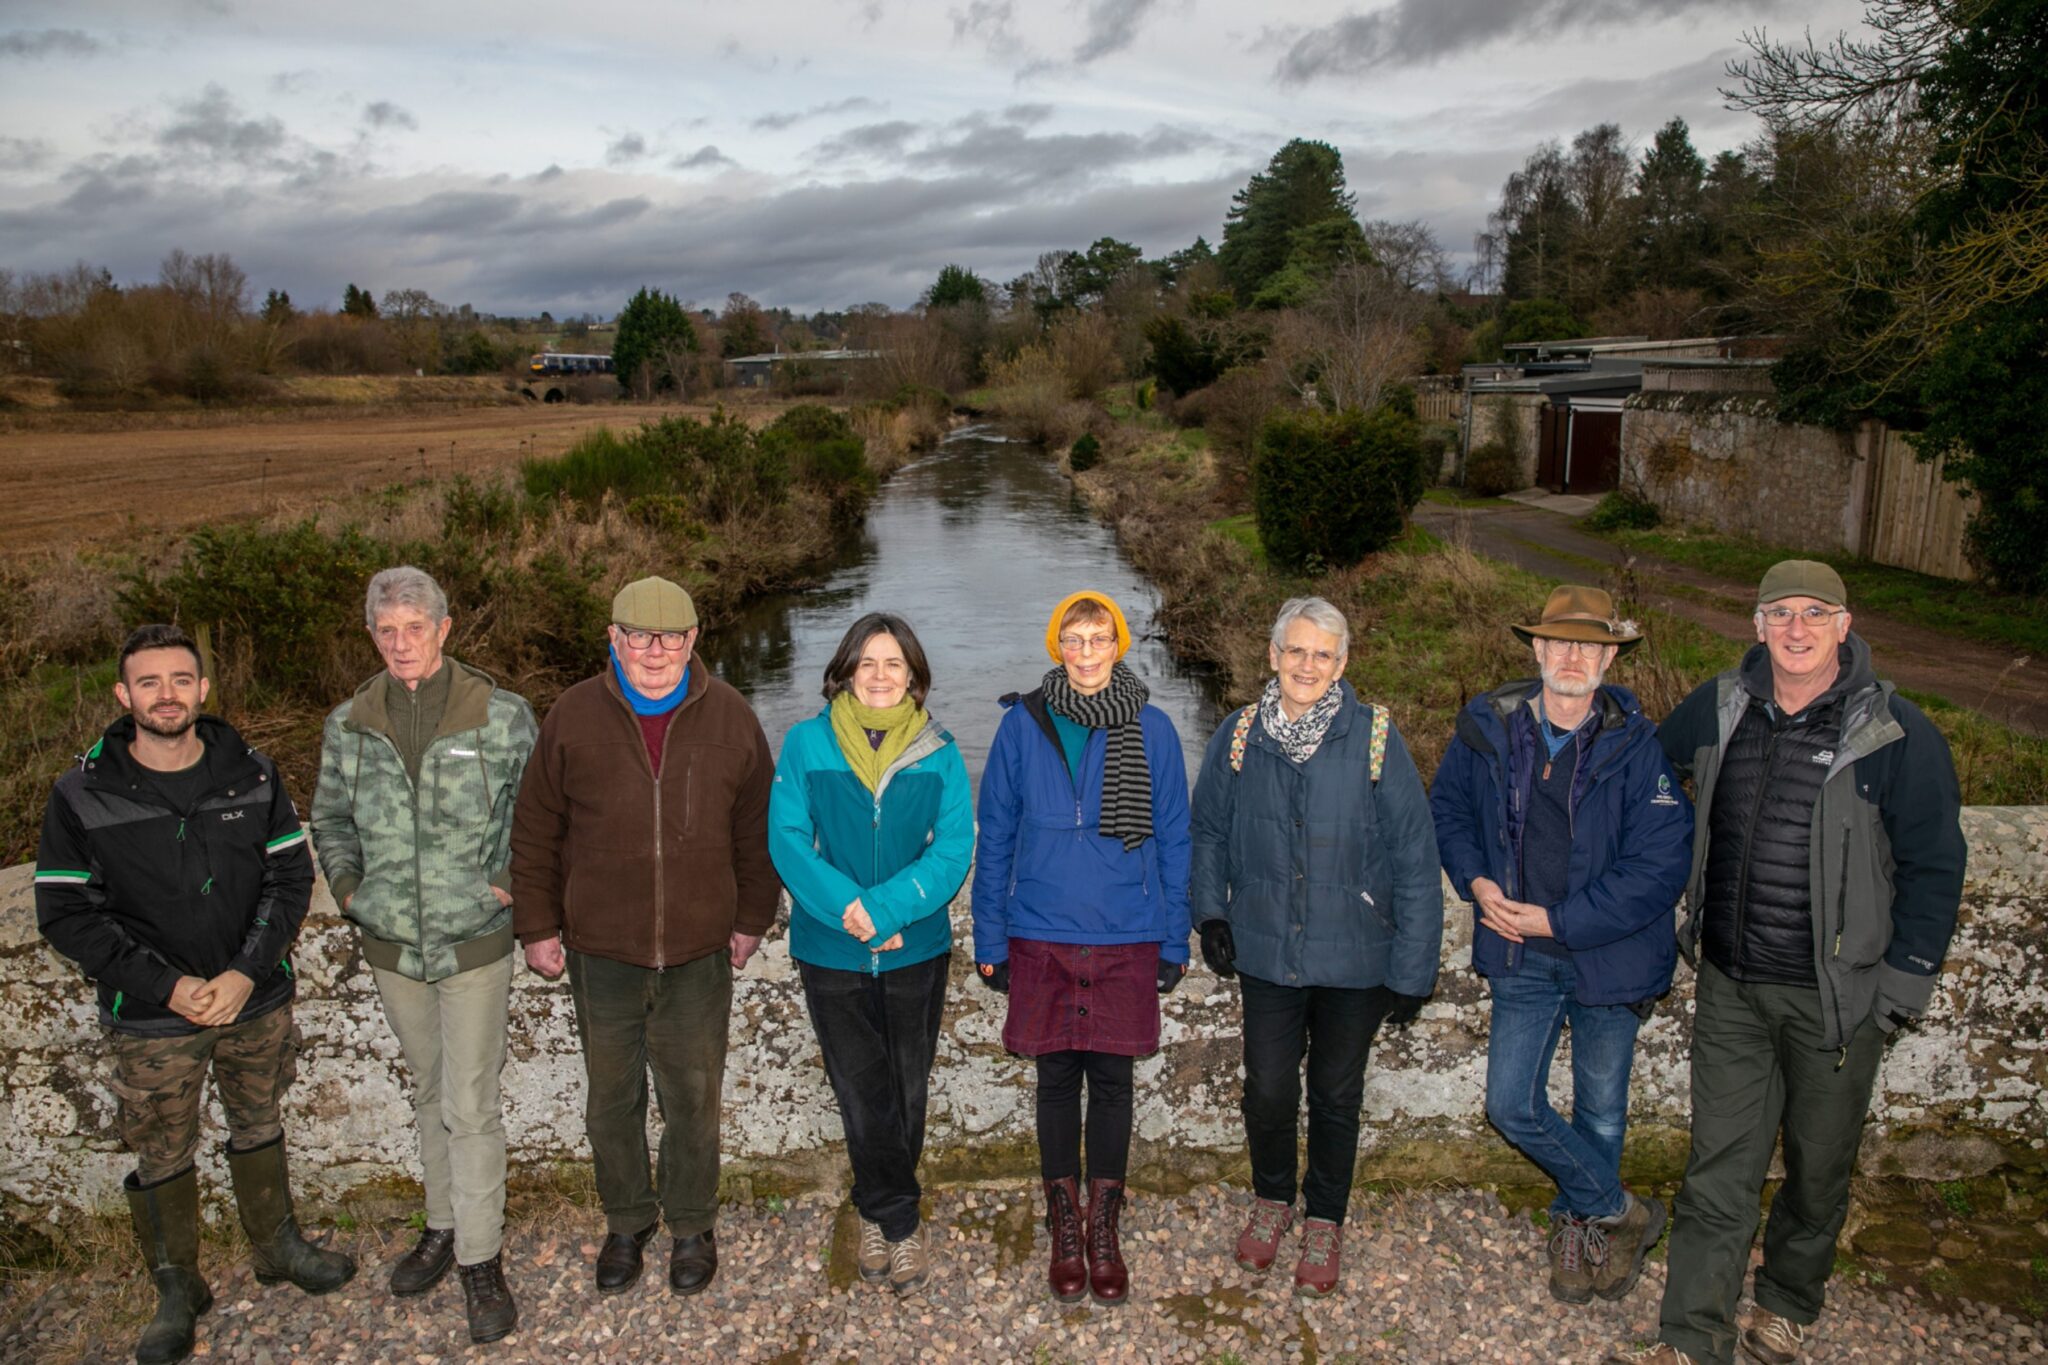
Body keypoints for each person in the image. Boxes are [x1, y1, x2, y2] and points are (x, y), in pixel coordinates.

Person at [1607, 562, 1966, 1365]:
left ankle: (1787, 1303)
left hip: (1837, 1000)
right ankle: (1690, 1337)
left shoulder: (1898, 734)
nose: (1796, 629)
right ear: (1757, 625)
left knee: (1817, 1163)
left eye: (1815, 613)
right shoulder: (1719, 707)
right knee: (1718, 1167)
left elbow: (1936, 863)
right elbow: (1644, 779)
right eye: (1779, 613)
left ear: (1845, 625)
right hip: (1732, 984)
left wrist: (1902, 983)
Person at [34, 624, 354, 1365]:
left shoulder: (253, 773)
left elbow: (290, 878)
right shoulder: (82, 795)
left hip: (255, 998)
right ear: (123, 695)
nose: (167, 694)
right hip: (151, 1017)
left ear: (203, 688)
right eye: (149, 682)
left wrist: (246, 970)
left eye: (181, 679)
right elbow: (65, 912)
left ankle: (277, 1246)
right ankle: (177, 1285)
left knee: (258, 1115)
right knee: (161, 1144)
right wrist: (168, 984)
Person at [510, 576, 780, 1299]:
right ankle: (627, 1221)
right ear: (613, 638)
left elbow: (757, 830)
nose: (654, 650)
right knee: (612, 1098)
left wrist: (753, 917)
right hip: (601, 949)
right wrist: (536, 925)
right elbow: (536, 828)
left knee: (694, 1096)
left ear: (694, 640)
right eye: (638, 635)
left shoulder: (729, 716)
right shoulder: (572, 715)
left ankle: (692, 1222)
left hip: (699, 950)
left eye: (670, 636)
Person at [1429, 585, 1693, 1307]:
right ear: (1537, 649)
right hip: (1521, 957)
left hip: (1611, 959)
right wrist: (1476, 878)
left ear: (1609, 658)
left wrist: (1559, 921)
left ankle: (1583, 1227)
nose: (1573, 655)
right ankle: (1621, 1208)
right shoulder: (1488, 730)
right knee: (1510, 1104)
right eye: (1560, 641)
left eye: (1590, 644)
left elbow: (1659, 866)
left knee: (1602, 1108)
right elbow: (1447, 808)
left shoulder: (1640, 750)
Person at [1189, 596, 1443, 1298]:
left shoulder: (1375, 739)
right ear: (1273, 656)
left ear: (1343, 663)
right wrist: (1211, 912)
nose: (1307, 665)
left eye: (1322, 654)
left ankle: (1325, 1215)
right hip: (1267, 951)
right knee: (1268, 1089)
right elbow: (1206, 830)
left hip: (1356, 955)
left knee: (1335, 1093)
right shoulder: (1239, 736)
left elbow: (1415, 858)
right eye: (1295, 650)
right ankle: (1273, 1199)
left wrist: (1412, 969)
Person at [309, 566, 537, 1344]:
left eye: (415, 626)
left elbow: (536, 810)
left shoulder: (501, 716)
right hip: (392, 944)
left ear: (446, 628)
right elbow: (330, 818)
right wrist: (348, 889)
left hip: (474, 936)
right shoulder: (350, 723)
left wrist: (509, 879)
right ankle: (442, 1224)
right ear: (371, 636)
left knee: (471, 1100)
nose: (401, 642)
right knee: (429, 1088)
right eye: (386, 630)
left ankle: (480, 1258)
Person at [970, 589, 1192, 1308]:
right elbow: (995, 835)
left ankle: (1105, 1227)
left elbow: (1175, 838)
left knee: (1117, 1082)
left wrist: (1174, 933)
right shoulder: (1020, 725)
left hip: (1126, 928)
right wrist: (989, 933)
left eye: (1100, 638)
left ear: (1119, 644)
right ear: (1056, 645)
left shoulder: (1153, 728)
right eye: (1075, 639)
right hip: (1040, 928)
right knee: (1057, 1080)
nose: (1087, 652)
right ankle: (1065, 1222)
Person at [767, 612, 974, 1296]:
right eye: (867, 662)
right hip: (832, 949)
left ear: (914, 676)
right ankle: (897, 1220)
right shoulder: (806, 744)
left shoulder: (940, 751)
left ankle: (882, 1213)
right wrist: (852, 912)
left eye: (894, 663)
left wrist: (886, 910)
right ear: (845, 671)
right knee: (860, 1089)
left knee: (907, 1087)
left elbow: (952, 851)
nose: (880, 675)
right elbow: (789, 842)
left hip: (915, 947)